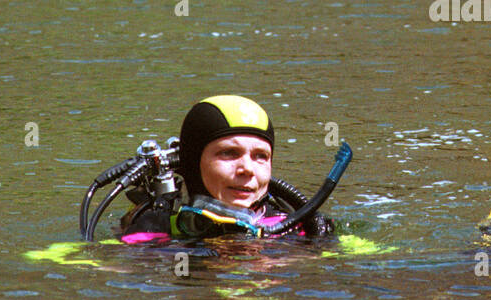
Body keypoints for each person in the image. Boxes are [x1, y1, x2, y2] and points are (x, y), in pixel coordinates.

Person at [118, 95, 333, 242]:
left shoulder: (295, 226)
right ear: (193, 163)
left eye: (261, 156)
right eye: (228, 153)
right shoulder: (153, 229)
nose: (247, 169)